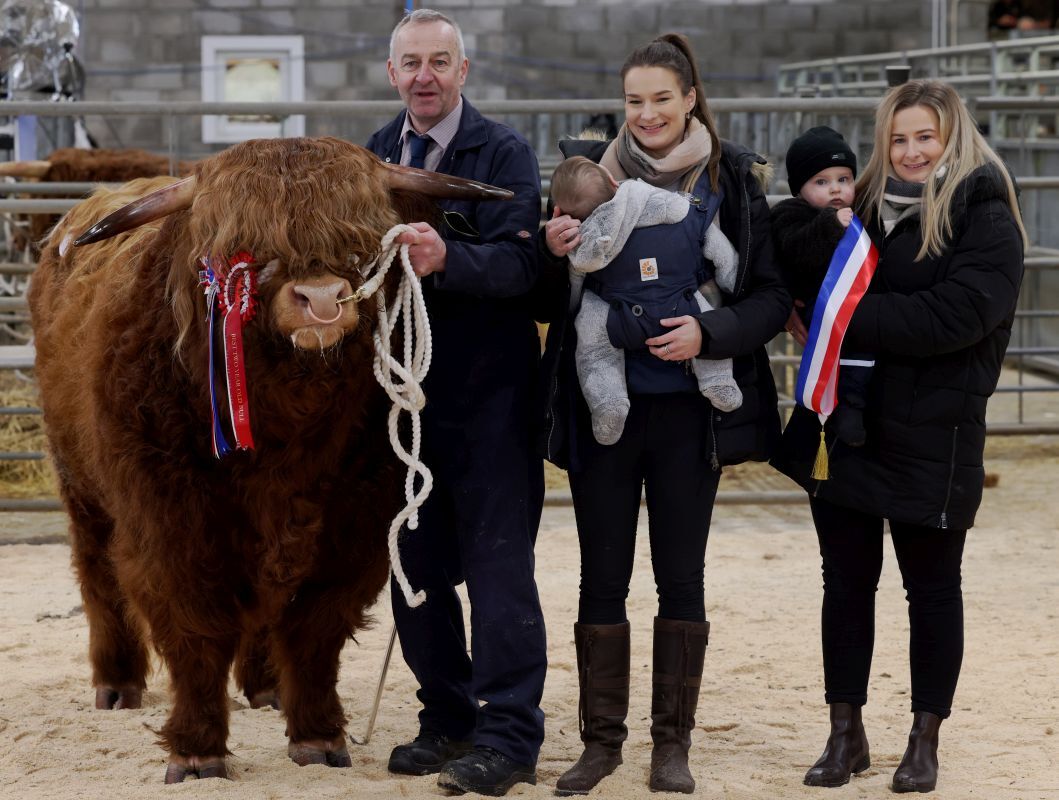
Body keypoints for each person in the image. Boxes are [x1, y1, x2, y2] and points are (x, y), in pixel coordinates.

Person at [538, 33, 790, 795]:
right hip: (603, 413)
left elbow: (770, 296)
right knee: (600, 577)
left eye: (660, 98)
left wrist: (707, 332)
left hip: (689, 416)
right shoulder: (587, 176)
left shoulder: (732, 181)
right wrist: (550, 255)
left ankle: (670, 745)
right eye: (633, 101)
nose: (646, 113)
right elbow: (551, 300)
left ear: (688, 100)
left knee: (681, 576)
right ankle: (600, 742)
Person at [772, 79, 1026, 793]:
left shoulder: (984, 216)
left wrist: (842, 314)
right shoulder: (862, 217)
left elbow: (955, 317)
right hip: (847, 426)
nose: (911, 152)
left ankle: (923, 738)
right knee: (844, 585)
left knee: (932, 589)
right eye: (897, 139)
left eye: (925, 136)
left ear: (952, 138)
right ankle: (843, 730)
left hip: (933, 434)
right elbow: (800, 269)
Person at [365, 9, 547, 797]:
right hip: (402, 405)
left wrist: (449, 259)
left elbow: (526, 271)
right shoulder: (371, 157)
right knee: (415, 564)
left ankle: (507, 733)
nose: (425, 76)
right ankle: (444, 716)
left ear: (463, 71)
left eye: (440, 61)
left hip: (491, 399)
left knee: (497, 566)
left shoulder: (502, 154)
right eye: (411, 63)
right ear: (392, 73)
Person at [549, 155, 742, 446]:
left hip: (619, 317)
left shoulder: (585, 242)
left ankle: (609, 403)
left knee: (593, 346)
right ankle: (718, 381)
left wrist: (573, 306)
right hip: (681, 308)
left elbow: (573, 290)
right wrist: (734, 280)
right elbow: (714, 244)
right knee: (706, 320)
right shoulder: (673, 206)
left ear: (563, 212)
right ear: (615, 182)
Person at [772, 125, 873, 447]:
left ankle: (855, 406)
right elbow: (796, 250)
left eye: (843, 180)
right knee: (836, 358)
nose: (835, 190)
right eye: (821, 182)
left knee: (863, 353)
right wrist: (830, 225)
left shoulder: (858, 215)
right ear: (799, 188)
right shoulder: (790, 214)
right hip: (818, 306)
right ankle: (841, 409)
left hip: (855, 308)